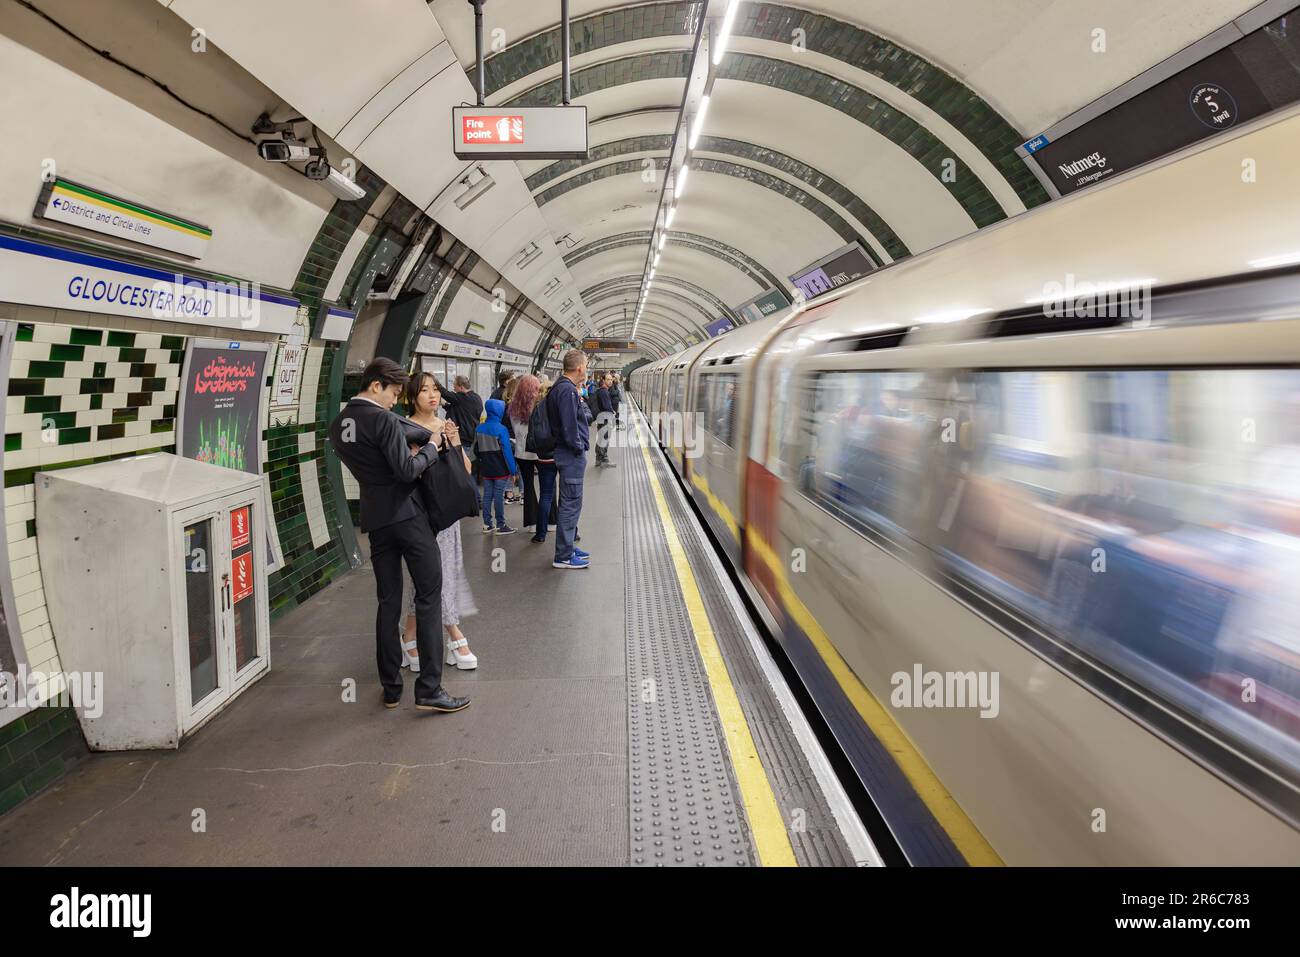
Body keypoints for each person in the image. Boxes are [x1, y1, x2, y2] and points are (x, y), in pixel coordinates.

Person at [327, 358, 469, 713]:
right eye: (392, 392)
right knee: (428, 595)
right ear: (376, 385)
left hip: (376, 520)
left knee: (388, 602)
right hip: (409, 517)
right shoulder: (383, 419)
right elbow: (407, 473)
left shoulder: (339, 423)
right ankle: (429, 689)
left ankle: (391, 689)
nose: (395, 400)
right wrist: (432, 450)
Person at [398, 373, 480, 672]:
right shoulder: (405, 429)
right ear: (411, 396)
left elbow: (466, 471)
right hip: (423, 516)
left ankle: (409, 637)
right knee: (437, 577)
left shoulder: (445, 425)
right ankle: (455, 637)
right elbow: (409, 472)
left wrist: (455, 442)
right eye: (423, 390)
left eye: (435, 389)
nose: (432, 395)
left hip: (448, 516)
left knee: (432, 578)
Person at [545, 349, 591, 569]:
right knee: (570, 505)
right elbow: (569, 425)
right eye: (587, 366)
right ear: (580, 367)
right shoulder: (567, 391)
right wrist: (578, 446)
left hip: (565, 453)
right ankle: (563, 556)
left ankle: (569, 546)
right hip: (570, 454)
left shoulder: (561, 388)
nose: (587, 370)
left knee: (570, 502)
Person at [476, 397, 519, 535]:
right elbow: (507, 452)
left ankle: (487, 524)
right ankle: (501, 525)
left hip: (486, 469)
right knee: (499, 496)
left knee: (487, 495)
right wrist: (513, 471)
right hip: (500, 469)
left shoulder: (479, 428)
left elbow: (476, 450)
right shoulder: (502, 429)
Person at [508, 375, 544, 532]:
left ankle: (532, 523)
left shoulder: (513, 407)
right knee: (547, 488)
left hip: (522, 452)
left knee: (528, 487)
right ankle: (549, 521)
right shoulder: (540, 406)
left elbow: (516, 431)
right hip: (539, 451)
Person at [594, 374, 617, 468]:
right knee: (604, 438)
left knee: (601, 438)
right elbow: (607, 406)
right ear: (603, 380)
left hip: (601, 418)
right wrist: (613, 412)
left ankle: (599, 459)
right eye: (608, 379)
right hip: (605, 418)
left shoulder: (602, 391)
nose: (610, 381)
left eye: (611, 380)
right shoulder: (604, 392)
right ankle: (604, 460)